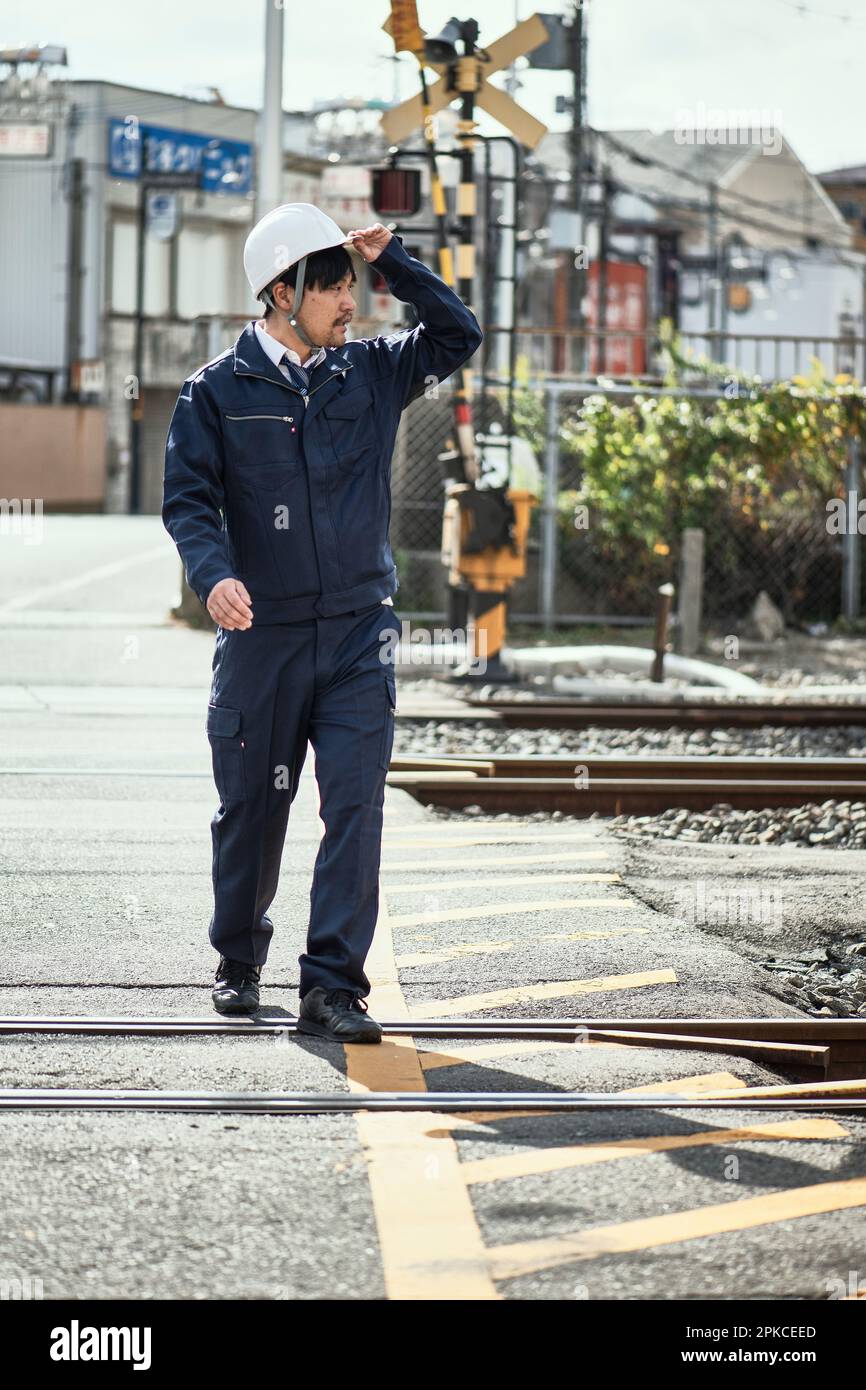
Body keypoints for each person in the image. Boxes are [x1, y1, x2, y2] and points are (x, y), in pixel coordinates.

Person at [162, 203, 482, 1042]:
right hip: (262, 640)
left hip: (355, 634)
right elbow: (189, 502)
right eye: (333, 287)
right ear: (280, 292)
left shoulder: (372, 371)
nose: (351, 302)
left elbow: (458, 334)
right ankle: (238, 956)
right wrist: (214, 574)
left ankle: (334, 986)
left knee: (356, 808)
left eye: (352, 285)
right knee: (251, 813)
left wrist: (395, 263)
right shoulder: (216, 393)